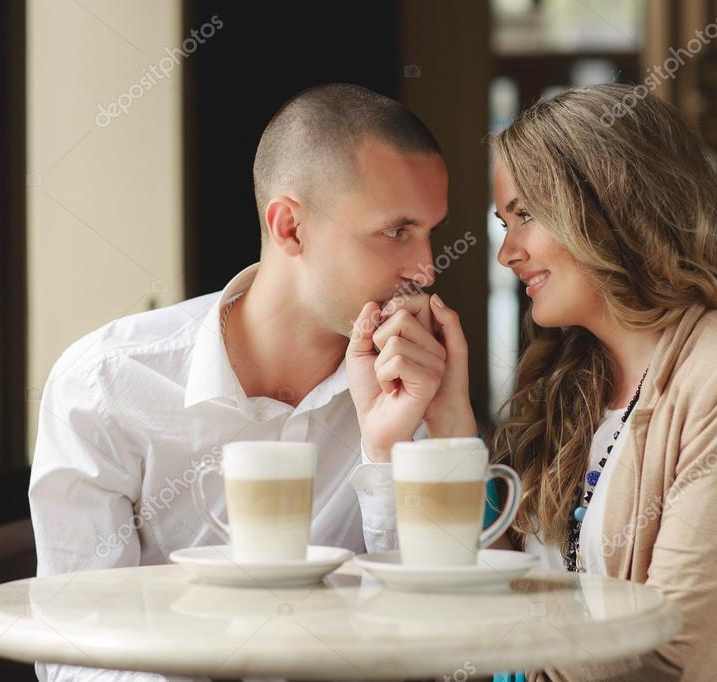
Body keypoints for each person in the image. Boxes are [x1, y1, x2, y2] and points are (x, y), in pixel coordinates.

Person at [347, 83, 717, 681]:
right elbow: (480, 609)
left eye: (526, 215)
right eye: (502, 222)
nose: (506, 253)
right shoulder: (569, 380)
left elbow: (666, 659)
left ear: (612, 208)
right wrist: (448, 421)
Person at [29, 83, 449, 682]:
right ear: (291, 228)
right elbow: (78, 650)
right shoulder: (106, 385)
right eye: (397, 231)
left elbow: (426, 641)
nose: (426, 268)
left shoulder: (412, 383)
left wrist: (386, 456)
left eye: (432, 231)